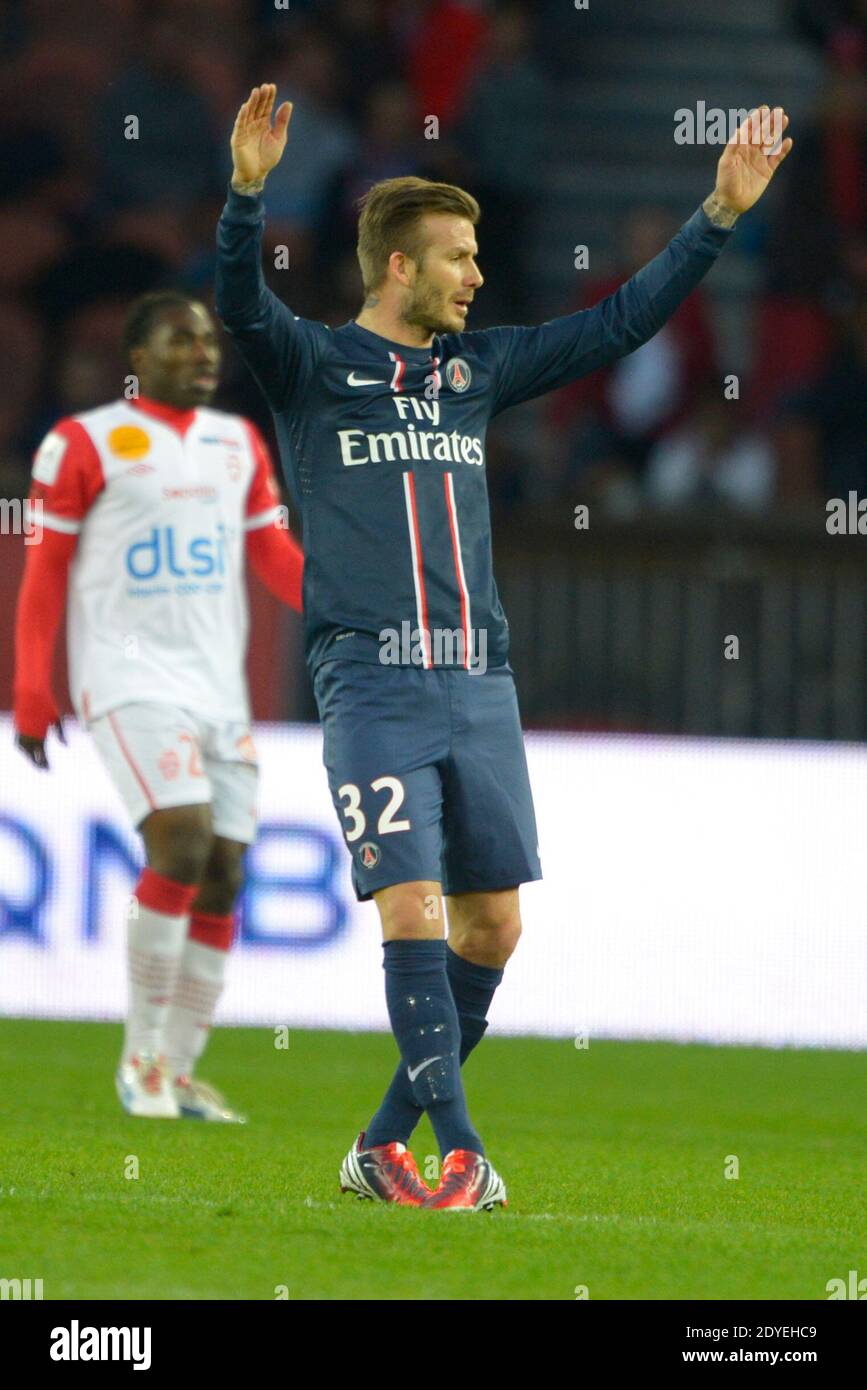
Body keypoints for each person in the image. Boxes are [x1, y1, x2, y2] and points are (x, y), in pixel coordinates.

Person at [216, 87, 791, 1208]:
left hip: (479, 679)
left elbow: (617, 324)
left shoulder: (480, 374)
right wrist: (246, 194)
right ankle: (462, 1147)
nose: (478, 276)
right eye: (459, 258)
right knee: (414, 908)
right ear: (397, 270)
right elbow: (239, 302)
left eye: (477, 257)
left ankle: (381, 1143)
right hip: (372, 677)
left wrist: (714, 217)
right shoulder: (314, 368)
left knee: (496, 922)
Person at [13, 291, 304, 1122]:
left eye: (209, 343)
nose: (204, 355)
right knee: (180, 838)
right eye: (181, 342)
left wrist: (334, 600)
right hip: (127, 678)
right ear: (136, 360)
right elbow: (45, 574)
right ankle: (138, 1061)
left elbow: (272, 555)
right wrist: (35, 688)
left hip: (219, 687)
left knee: (224, 871)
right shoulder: (82, 442)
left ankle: (177, 1071)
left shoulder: (236, 443)